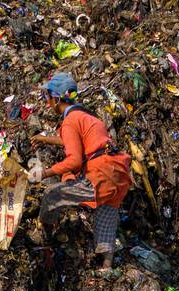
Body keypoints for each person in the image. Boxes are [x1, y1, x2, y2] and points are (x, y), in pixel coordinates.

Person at [27, 72, 132, 273]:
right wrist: (45, 139)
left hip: (102, 173)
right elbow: (76, 142)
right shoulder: (86, 116)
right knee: (106, 213)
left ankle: (44, 234)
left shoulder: (69, 122)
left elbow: (74, 159)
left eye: (47, 97)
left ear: (56, 98)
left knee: (52, 195)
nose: (47, 102)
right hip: (119, 173)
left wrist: (45, 173)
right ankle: (106, 266)